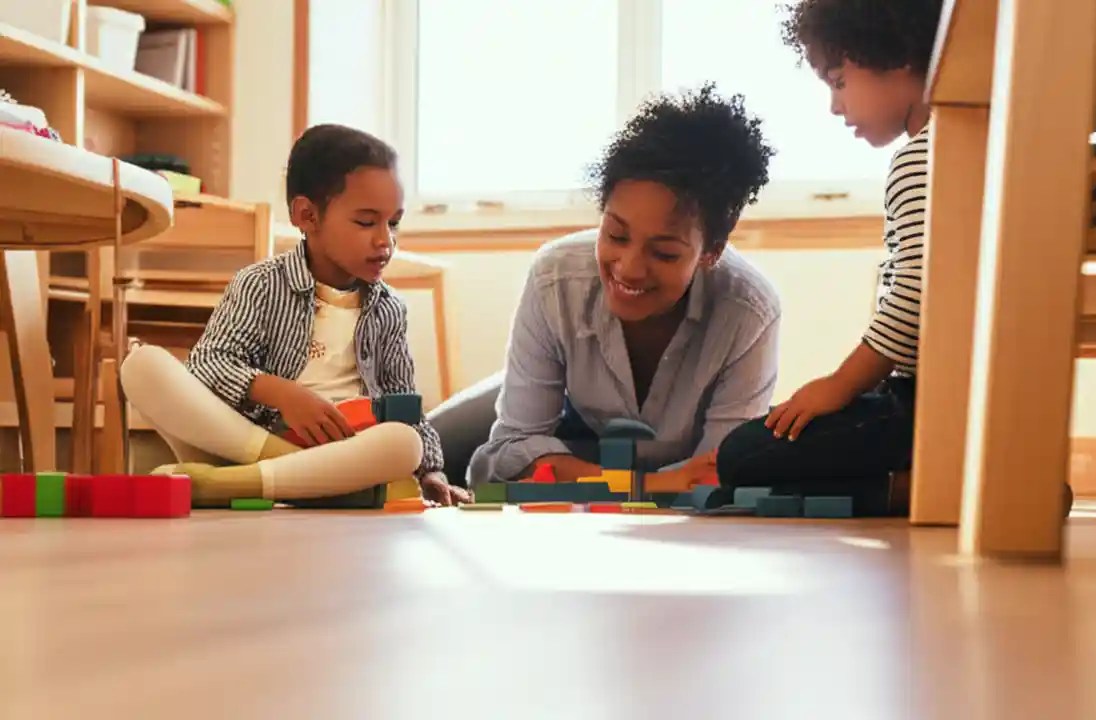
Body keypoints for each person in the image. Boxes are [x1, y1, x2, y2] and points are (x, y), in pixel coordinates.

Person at [121, 124, 468, 507]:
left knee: (405, 443)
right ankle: (306, 482)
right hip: (250, 439)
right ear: (307, 215)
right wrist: (283, 394)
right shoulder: (261, 284)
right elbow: (208, 364)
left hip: (347, 452)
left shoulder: (388, 310)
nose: (385, 240)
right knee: (142, 365)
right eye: (367, 222)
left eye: (394, 223)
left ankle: (225, 485)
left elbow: (405, 404)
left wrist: (433, 472)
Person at [466, 83, 781, 489]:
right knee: (456, 454)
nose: (630, 270)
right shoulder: (555, 279)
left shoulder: (748, 309)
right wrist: (647, 486)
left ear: (711, 252)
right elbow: (510, 449)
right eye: (615, 235)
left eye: (664, 253)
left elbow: (717, 473)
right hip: (572, 433)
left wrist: (593, 481)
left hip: (599, 464)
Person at [715, 0, 941, 514]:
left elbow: (916, 293)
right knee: (758, 461)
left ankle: (924, 488)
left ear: (900, 59)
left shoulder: (921, 159)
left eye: (839, 82)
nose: (835, 108)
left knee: (742, 457)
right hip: (958, 398)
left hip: (929, 403)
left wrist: (841, 385)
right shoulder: (965, 150)